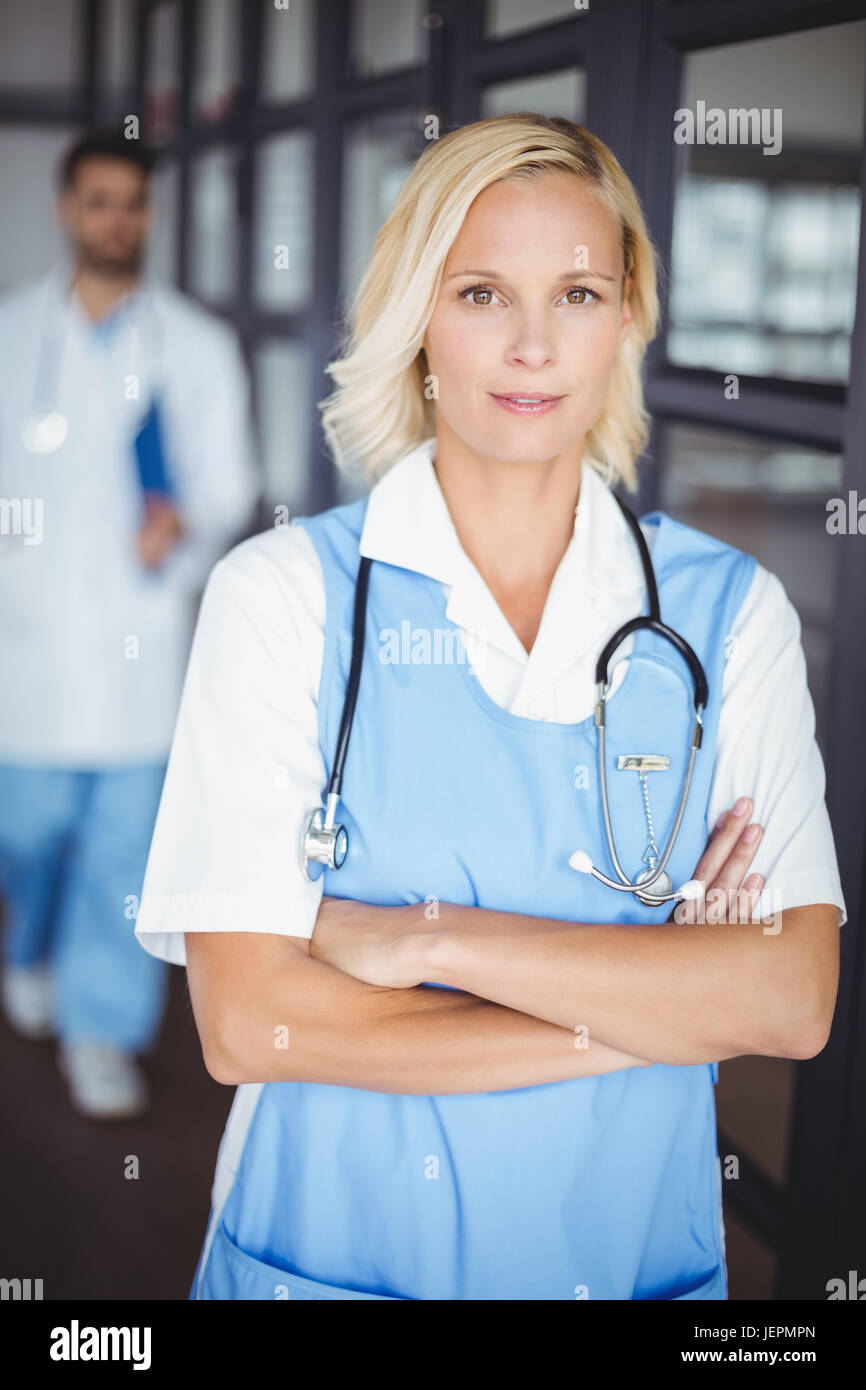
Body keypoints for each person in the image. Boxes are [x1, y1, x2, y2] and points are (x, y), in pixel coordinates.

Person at [134, 113, 844, 1299]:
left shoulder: (729, 614)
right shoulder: (282, 598)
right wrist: (658, 1007)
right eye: (478, 294)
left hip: (625, 1261)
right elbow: (252, 1026)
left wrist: (416, 939)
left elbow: (789, 998)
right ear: (415, 317)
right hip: (329, 1255)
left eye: (575, 292)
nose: (530, 345)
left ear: (625, 318)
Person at [0, 127, 260, 1119]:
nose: (117, 220)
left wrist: (180, 528)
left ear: (150, 215)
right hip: (25, 645)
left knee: (123, 856)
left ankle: (101, 1028)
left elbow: (231, 482)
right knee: (27, 835)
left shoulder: (192, 343)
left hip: (142, 646)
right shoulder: (11, 332)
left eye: (133, 203)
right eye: (99, 200)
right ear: (67, 211)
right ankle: (26, 940)